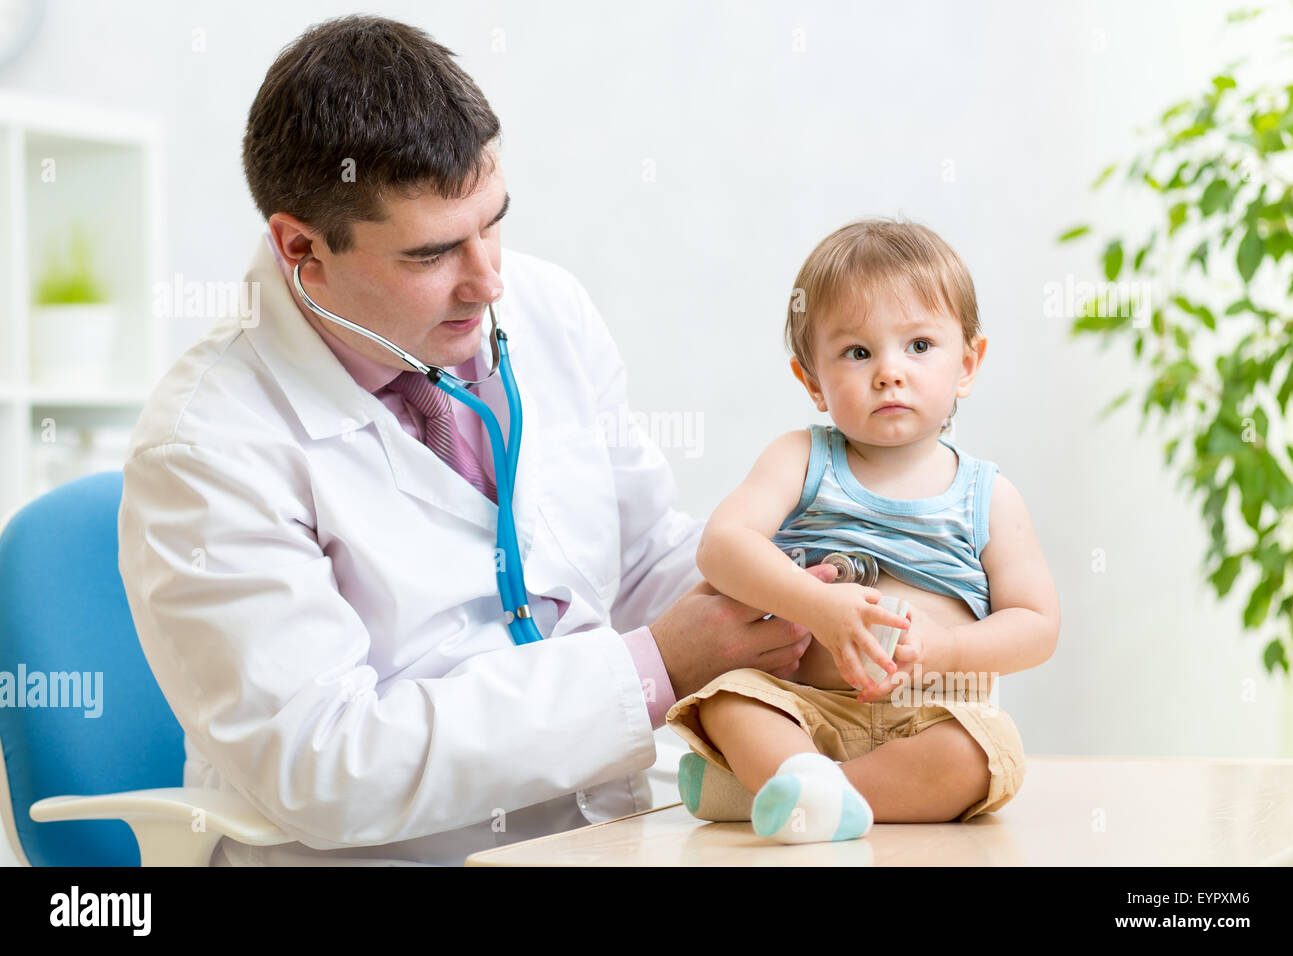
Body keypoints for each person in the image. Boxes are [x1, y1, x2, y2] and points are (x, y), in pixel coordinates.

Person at [116, 14, 834, 866]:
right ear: (301, 248)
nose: (487, 280)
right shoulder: (206, 450)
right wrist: (651, 671)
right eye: (431, 255)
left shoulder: (545, 309)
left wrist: (805, 587)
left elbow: (640, 562)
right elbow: (327, 767)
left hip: (604, 839)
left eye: (493, 222)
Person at [664, 219, 1061, 843]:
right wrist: (816, 606)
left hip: (928, 714)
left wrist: (948, 651)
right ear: (812, 381)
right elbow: (722, 546)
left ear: (968, 362)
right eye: (857, 352)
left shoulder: (989, 496)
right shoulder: (801, 458)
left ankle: (783, 792)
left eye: (920, 345)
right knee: (728, 697)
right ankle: (796, 777)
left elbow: (1037, 625)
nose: (889, 372)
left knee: (984, 751)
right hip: (806, 710)